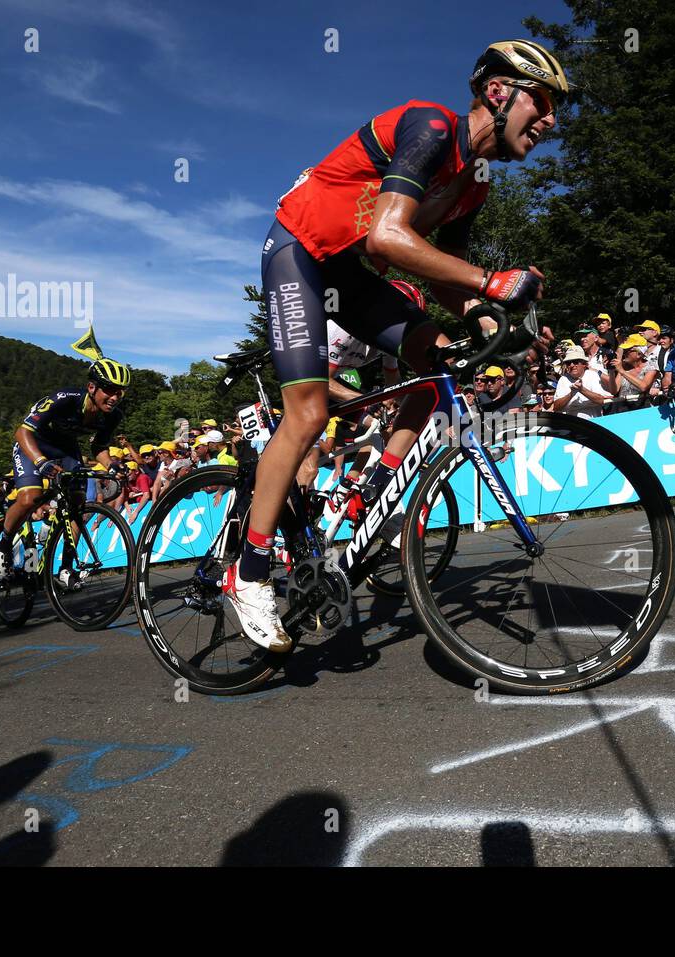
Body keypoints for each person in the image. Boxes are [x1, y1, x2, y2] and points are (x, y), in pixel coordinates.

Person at [234, 40, 568, 650]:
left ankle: (370, 499)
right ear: (498, 92)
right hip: (300, 250)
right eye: (542, 103)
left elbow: (446, 277)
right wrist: (493, 284)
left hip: (350, 273)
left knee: (441, 362)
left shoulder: (478, 183)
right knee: (308, 410)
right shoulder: (431, 125)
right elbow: (389, 236)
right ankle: (249, 572)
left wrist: (494, 323)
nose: (550, 121)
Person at [0, 356, 129, 581]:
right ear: (91, 387)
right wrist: (40, 462)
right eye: (110, 390)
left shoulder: (112, 416)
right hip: (33, 444)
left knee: (77, 503)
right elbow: (22, 431)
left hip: (66, 450)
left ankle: (66, 567)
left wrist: (113, 465)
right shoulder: (65, 398)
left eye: (120, 392)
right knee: (30, 498)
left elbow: (98, 447)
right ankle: (4, 544)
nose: (115, 397)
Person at [552, 346, 612, 418]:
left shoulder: (592, 375)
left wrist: (582, 389)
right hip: (572, 423)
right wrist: (571, 394)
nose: (572, 365)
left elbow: (601, 400)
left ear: (584, 364)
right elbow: (556, 407)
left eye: (575, 362)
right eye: (568, 363)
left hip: (593, 423)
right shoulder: (563, 379)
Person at [605, 334, 658, 412]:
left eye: (627, 351)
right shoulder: (623, 367)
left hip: (642, 410)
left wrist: (622, 371)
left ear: (639, 354)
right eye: (624, 350)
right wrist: (612, 371)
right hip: (623, 409)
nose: (624, 353)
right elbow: (614, 391)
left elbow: (643, 386)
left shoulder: (651, 366)